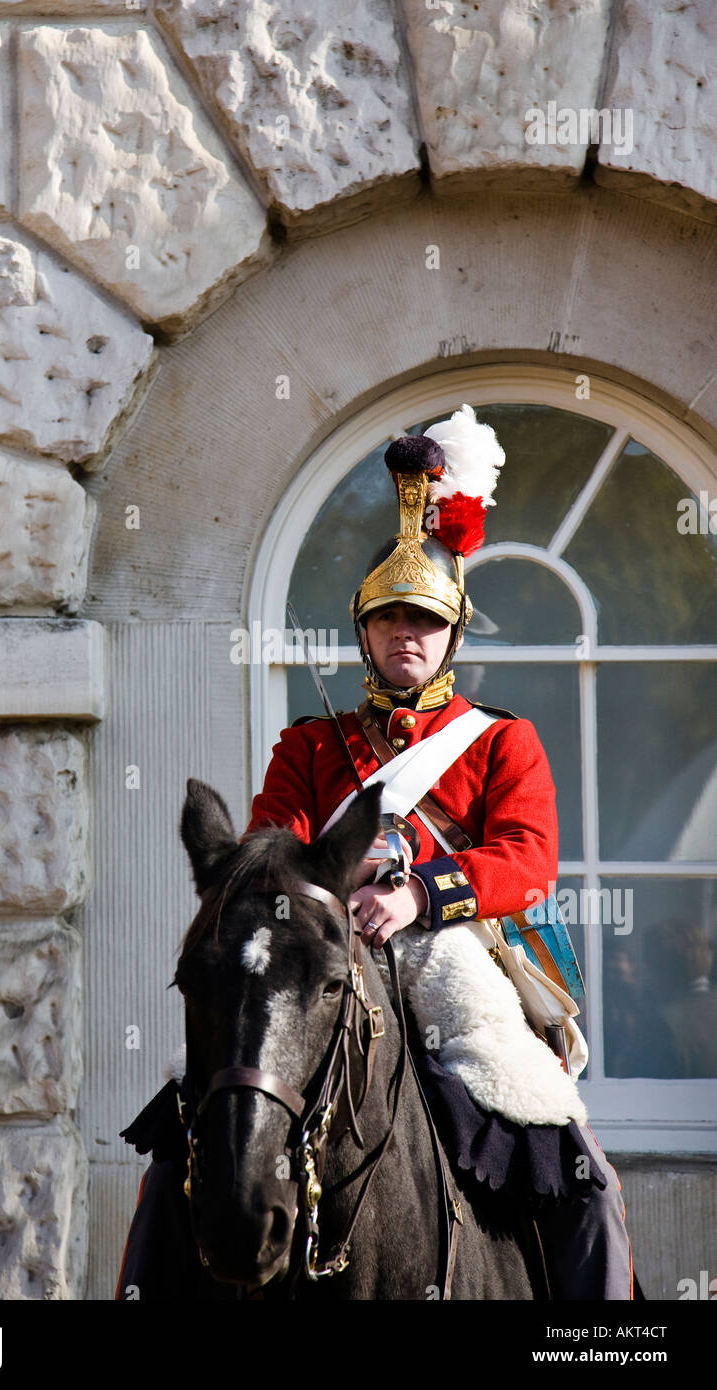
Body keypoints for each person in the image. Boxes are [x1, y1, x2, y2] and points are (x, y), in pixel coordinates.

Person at [246, 404, 634, 1300]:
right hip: (329, 946)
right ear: (364, 633)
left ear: (453, 635)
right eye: (388, 620)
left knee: (581, 1175)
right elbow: (271, 849)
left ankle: (606, 1340)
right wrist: (326, 891)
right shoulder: (310, 747)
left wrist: (421, 894)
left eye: (423, 621)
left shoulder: (500, 740)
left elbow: (528, 861)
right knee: (200, 1115)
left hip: (452, 949)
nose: (405, 635)